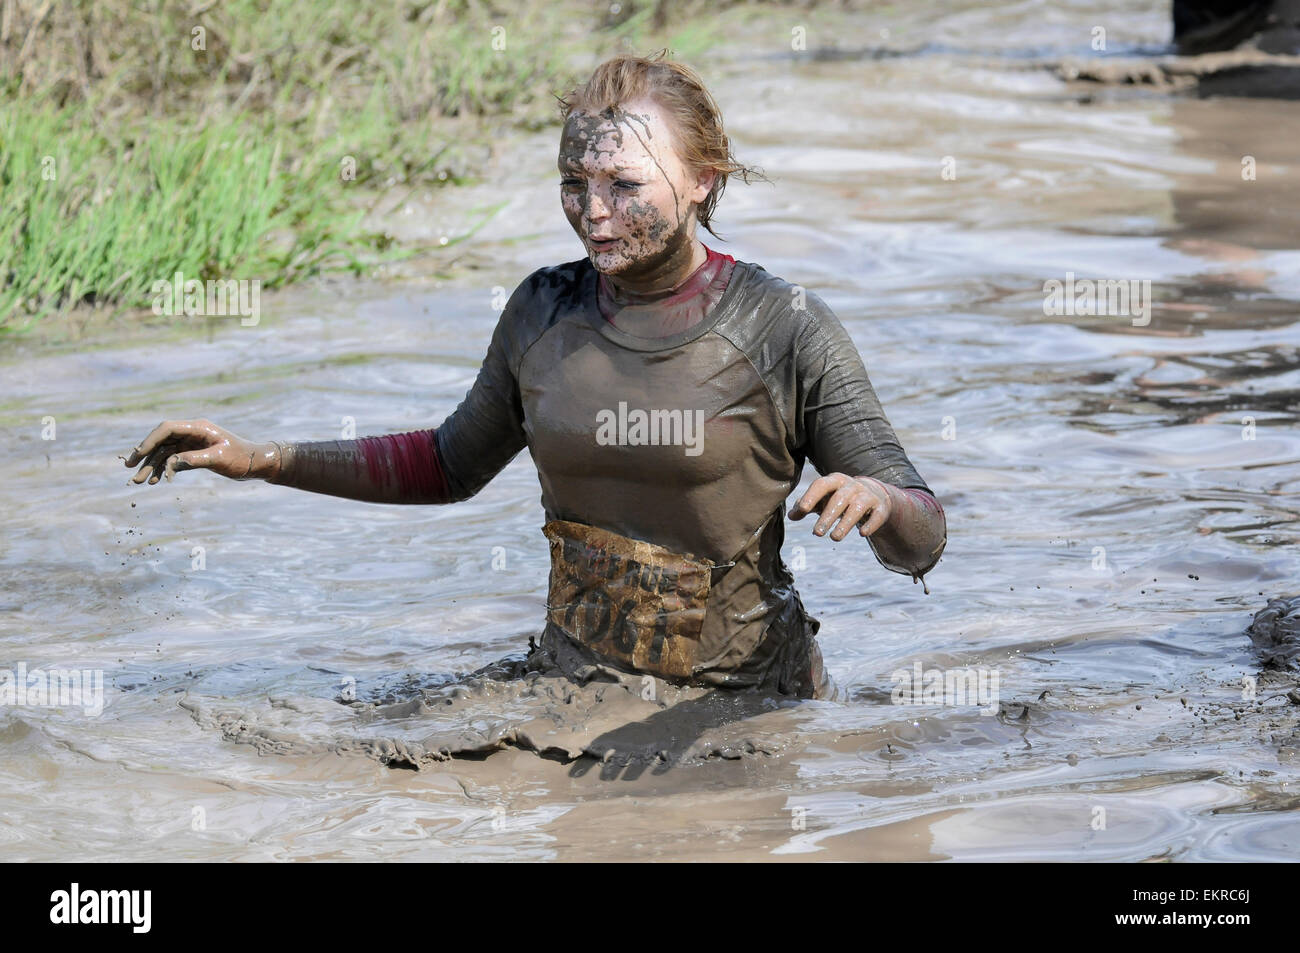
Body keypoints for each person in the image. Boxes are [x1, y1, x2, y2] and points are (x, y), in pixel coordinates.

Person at [123, 51, 946, 701]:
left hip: (741, 706)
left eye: (623, 187)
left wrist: (882, 507)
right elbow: (447, 465)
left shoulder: (783, 326)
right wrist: (260, 457)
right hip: (571, 687)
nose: (593, 212)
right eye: (573, 185)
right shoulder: (542, 312)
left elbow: (923, 541)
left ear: (702, 181)